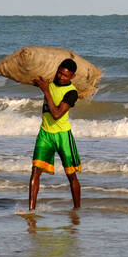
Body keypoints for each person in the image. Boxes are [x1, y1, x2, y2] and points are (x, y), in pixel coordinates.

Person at [27, 58, 82, 211]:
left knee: (71, 175)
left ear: (72, 77)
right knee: (35, 171)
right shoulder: (49, 84)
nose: (61, 77)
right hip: (45, 133)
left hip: (63, 135)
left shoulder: (72, 93)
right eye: (59, 73)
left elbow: (57, 114)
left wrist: (45, 91)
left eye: (65, 75)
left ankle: (76, 211)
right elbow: (28, 76)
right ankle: (31, 211)